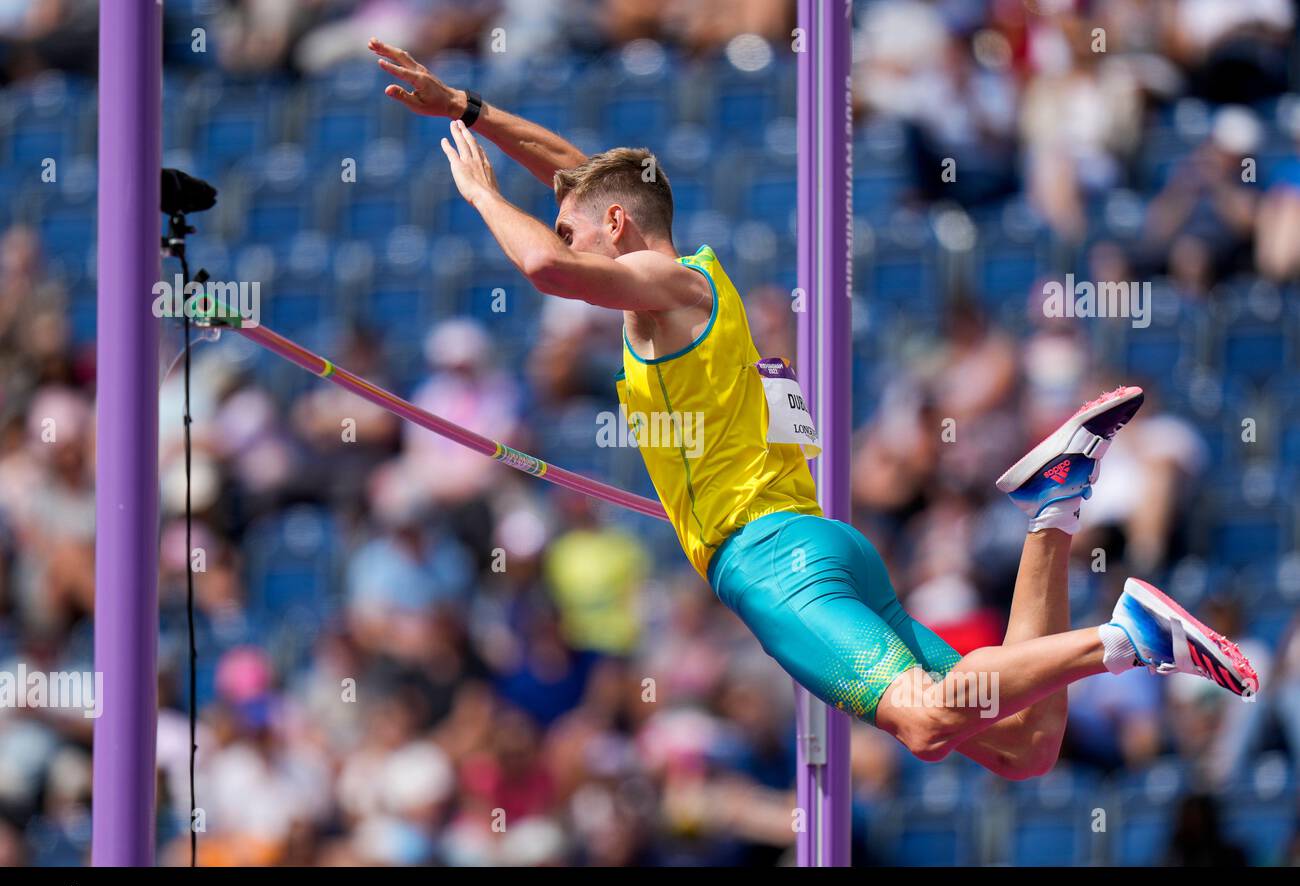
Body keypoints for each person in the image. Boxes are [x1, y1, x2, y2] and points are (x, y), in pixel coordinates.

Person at [369, 39, 1258, 779]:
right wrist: (469, 106)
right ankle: (1055, 505)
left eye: (576, 224)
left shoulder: (656, 285)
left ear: (617, 231)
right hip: (828, 549)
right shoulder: (695, 277)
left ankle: (1128, 636)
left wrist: (482, 190)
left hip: (773, 563)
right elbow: (580, 180)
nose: (559, 225)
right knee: (1024, 743)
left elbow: (547, 267)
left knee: (922, 723)